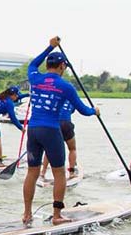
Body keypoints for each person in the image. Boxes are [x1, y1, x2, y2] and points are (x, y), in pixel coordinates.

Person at [20, 39, 96, 224]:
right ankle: (56, 216)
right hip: (51, 131)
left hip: (33, 130)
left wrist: (50, 46)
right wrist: (95, 111)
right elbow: (84, 110)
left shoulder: (35, 78)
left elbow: (32, 63)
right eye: (64, 66)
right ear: (62, 66)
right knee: (59, 173)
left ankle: (27, 214)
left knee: (32, 172)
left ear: (47, 64)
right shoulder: (66, 86)